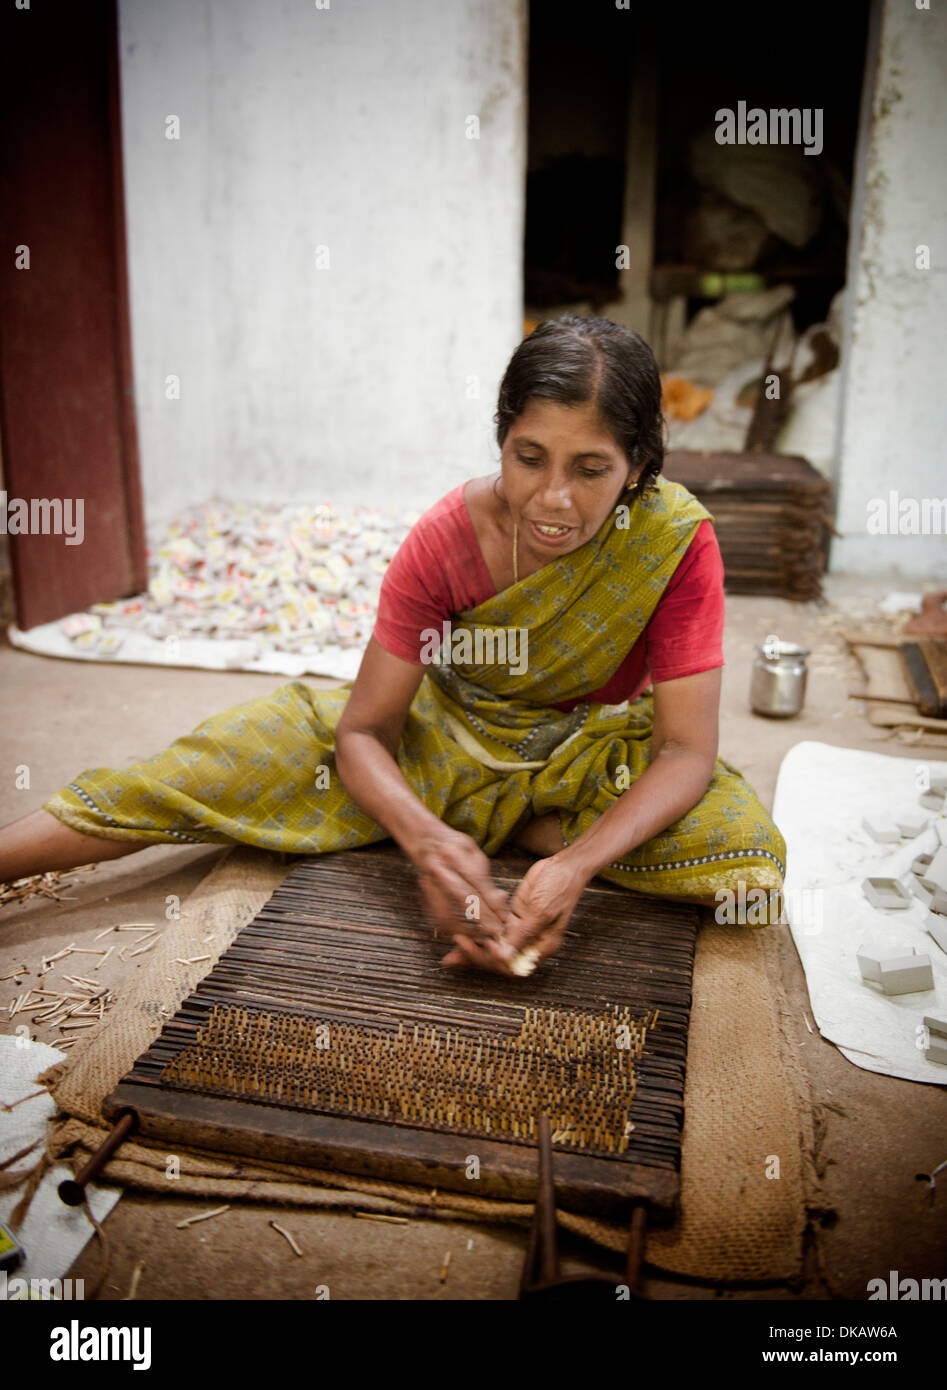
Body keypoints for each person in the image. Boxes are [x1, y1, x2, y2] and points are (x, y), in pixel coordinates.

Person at [0, 316, 787, 973]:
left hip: (582, 755)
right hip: (435, 741)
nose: (552, 499)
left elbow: (683, 751)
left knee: (740, 845)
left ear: (637, 466)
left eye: (590, 469)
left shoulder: (671, 541)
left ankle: (532, 832)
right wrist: (424, 841)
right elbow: (365, 731)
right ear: (501, 441)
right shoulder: (448, 534)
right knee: (228, 754)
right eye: (529, 458)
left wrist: (571, 869)